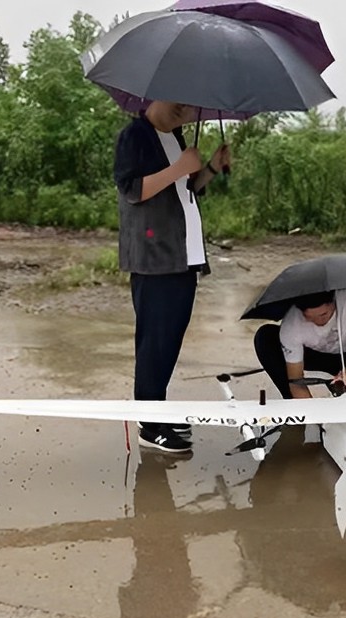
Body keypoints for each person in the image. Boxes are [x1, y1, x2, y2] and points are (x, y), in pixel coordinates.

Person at [114, 100, 231, 453]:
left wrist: (210, 167)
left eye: (189, 107)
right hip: (155, 259)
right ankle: (149, 426)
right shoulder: (135, 135)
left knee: (169, 342)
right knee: (154, 343)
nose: (184, 110)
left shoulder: (175, 136)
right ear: (154, 97)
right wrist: (179, 167)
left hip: (183, 258)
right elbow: (131, 190)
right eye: (178, 103)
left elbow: (186, 189)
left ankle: (158, 412)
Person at [253, 288, 346, 399]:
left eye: (323, 314)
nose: (318, 322)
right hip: (312, 354)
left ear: (333, 302)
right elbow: (295, 380)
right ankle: (293, 404)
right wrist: (313, 416)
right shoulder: (292, 324)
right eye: (309, 317)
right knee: (264, 337)